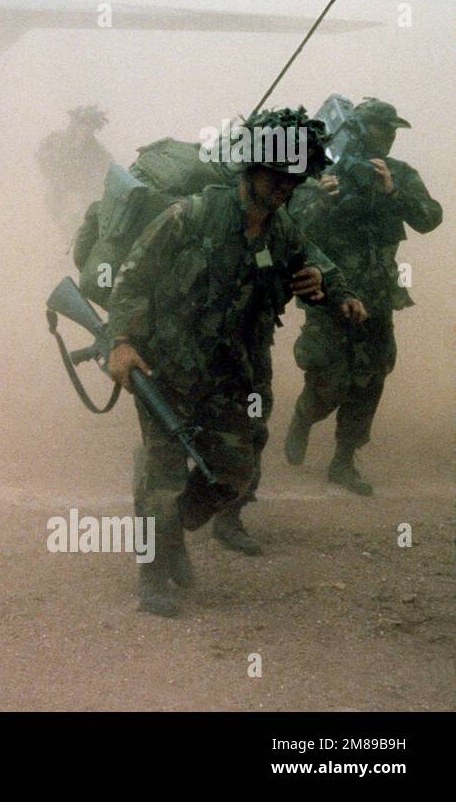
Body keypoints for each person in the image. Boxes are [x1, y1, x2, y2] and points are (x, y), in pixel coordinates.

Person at [106, 107, 365, 617]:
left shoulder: (283, 231)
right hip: (169, 368)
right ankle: (153, 573)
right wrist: (121, 340)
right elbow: (133, 276)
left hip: (236, 374)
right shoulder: (193, 215)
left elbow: (313, 265)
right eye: (279, 176)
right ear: (252, 168)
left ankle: (170, 532)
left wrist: (327, 289)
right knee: (163, 474)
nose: (288, 187)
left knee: (233, 473)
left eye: (296, 180)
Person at [284, 98, 443, 494]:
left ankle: (344, 459)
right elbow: (293, 229)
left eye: (392, 131)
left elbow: (430, 218)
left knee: (371, 377)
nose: (388, 137)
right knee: (330, 376)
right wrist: (322, 198)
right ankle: (305, 416)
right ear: (357, 129)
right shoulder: (322, 173)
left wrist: (394, 193)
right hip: (331, 293)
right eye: (380, 128)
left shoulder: (400, 174)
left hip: (379, 295)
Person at [36, 104, 114, 226]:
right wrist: (59, 179)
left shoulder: (97, 152)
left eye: (90, 125)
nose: (86, 129)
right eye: (82, 124)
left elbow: (109, 169)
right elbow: (43, 158)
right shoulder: (56, 140)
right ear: (75, 124)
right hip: (59, 190)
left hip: (82, 195)